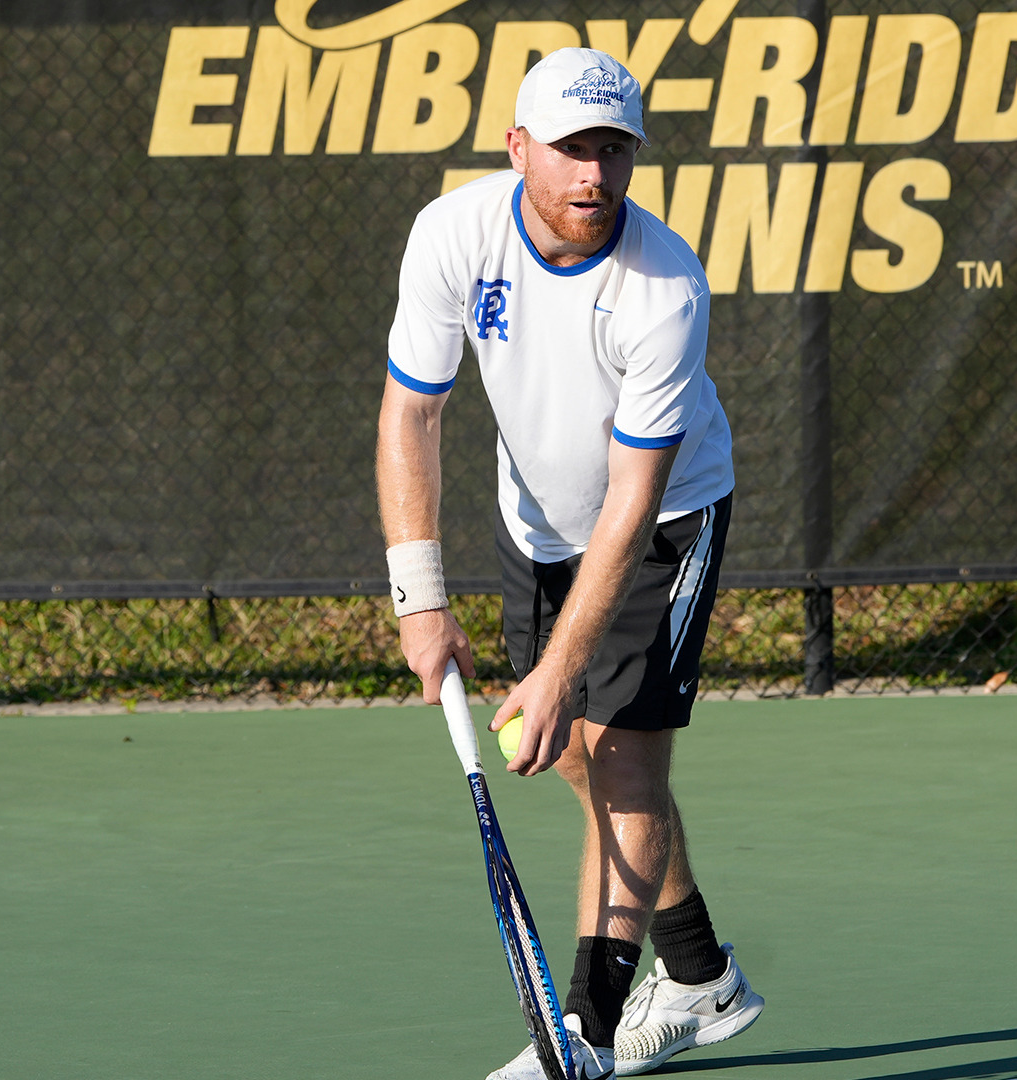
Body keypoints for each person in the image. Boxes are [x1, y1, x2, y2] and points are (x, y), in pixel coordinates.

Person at [375, 46, 765, 1080]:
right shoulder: (454, 234)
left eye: (613, 150)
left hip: (665, 527)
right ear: (518, 149)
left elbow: (633, 505)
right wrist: (420, 599)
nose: (592, 175)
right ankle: (698, 975)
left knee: (623, 764)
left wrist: (555, 673)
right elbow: (412, 411)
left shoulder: (665, 287)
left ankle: (578, 1039)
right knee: (584, 760)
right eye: (570, 149)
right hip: (537, 524)